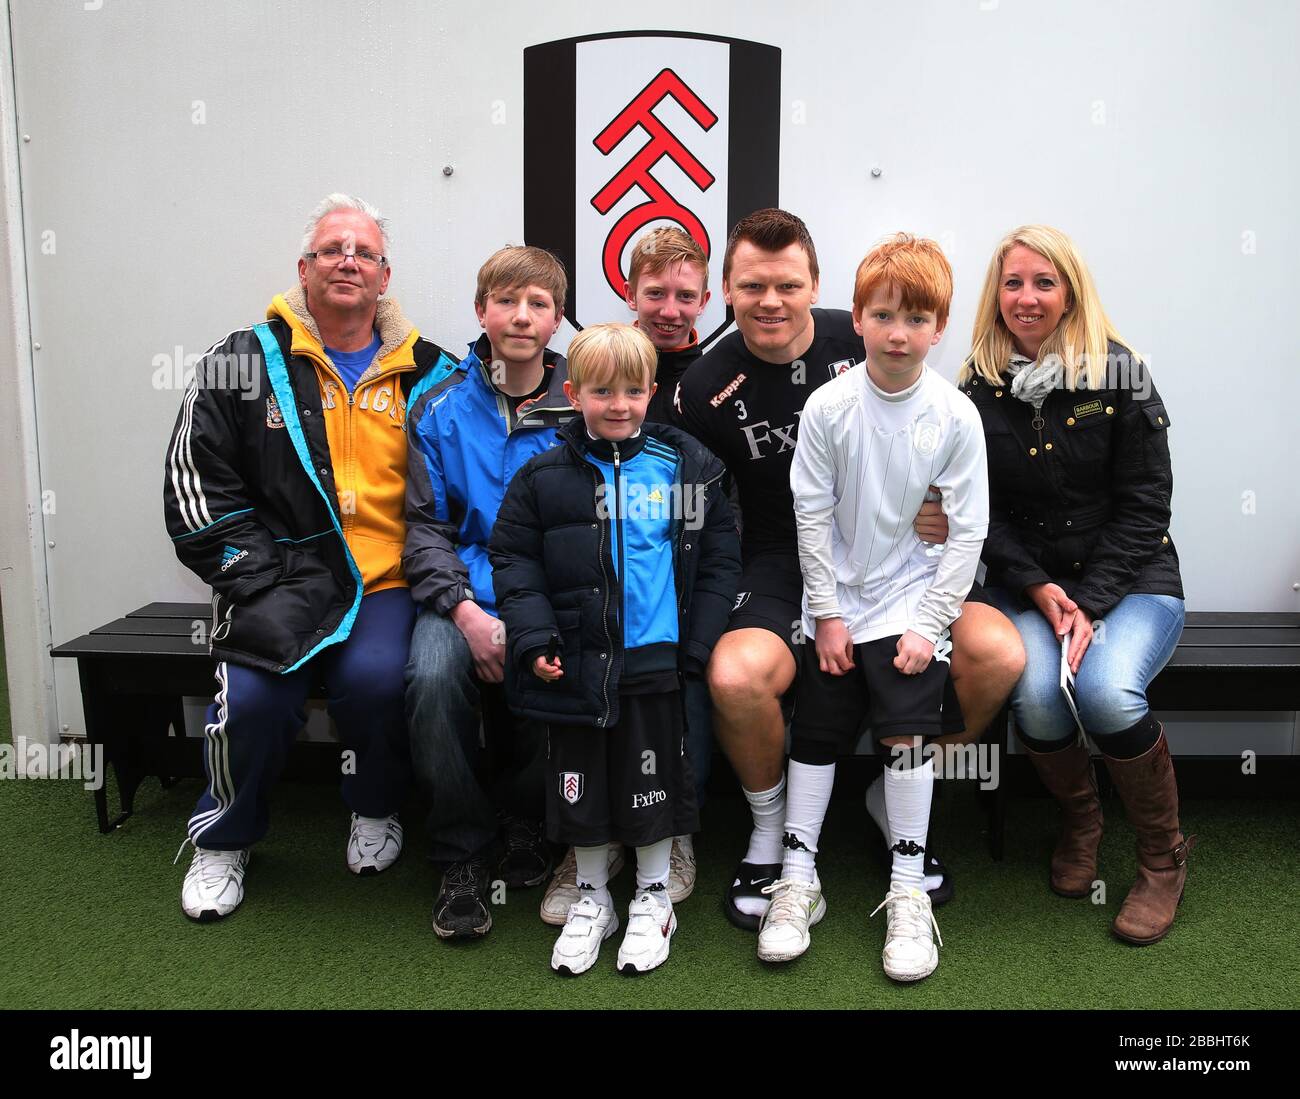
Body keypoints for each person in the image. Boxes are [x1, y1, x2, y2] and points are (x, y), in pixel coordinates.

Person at [673, 210, 1024, 930]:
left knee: (997, 652)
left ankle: (893, 800)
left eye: (787, 285)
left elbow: (947, 479)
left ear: (819, 290)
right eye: (752, 286)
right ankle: (774, 832)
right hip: (779, 556)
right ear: (728, 291)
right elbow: (693, 505)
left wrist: (939, 516)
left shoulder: (871, 334)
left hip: (905, 554)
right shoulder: (706, 381)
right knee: (737, 676)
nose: (771, 301)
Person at [163, 193, 457, 921]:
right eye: (332, 250)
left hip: (386, 582)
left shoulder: (434, 371)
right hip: (277, 578)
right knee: (256, 701)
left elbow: (465, 483)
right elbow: (195, 489)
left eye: (363, 252)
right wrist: (259, 579)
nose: (347, 261)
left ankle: (375, 804)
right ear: (304, 268)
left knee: (380, 679)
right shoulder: (242, 360)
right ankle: (223, 838)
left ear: (384, 277)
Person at [758, 234, 987, 980]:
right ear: (855, 317)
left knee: (907, 735)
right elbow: (811, 514)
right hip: (837, 607)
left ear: (939, 327)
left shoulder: (954, 414)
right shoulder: (828, 405)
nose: (899, 333)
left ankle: (906, 885)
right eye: (884, 315)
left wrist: (930, 624)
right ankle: (798, 878)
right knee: (818, 730)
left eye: (917, 319)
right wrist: (825, 613)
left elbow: (968, 531)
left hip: (913, 604)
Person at [958, 224, 1191, 944]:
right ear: (997, 296)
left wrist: (1089, 602)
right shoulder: (976, 384)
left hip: (1135, 580)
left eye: (1043, 282)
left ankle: (1162, 858)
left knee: (1104, 690)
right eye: (1014, 282)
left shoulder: (1119, 373)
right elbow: (978, 511)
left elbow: (1147, 505)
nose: (1027, 297)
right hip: (1031, 586)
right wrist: (1036, 586)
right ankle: (1081, 819)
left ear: (1070, 292)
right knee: (1034, 690)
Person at [489, 323, 740, 974]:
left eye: (634, 390)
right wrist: (535, 636)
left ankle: (654, 895)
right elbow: (513, 561)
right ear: (573, 394)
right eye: (603, 391)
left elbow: (718, 561)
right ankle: (594, 894)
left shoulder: (686, 466)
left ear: (653, 391)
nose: (620, 404)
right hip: (576, 666)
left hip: (657, 665)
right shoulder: (540, 477)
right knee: (583, 786)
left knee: (652, 779)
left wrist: (700, 642)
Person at [404, 245, 575, 939]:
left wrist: (528, 615)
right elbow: (422, 527)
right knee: (430, 673)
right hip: (463, 594)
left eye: (538, 304)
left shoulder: (583, 404)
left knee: (566, 666)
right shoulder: (439, 406)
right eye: (507, 300)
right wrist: (466, 612)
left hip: (551, 592)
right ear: (482, 311)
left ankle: (528, 818)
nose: (521, 316)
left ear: (557, 319)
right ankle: (461, 850)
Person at [621, 225, 713, 900]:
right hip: (615, 569)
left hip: (700, 567)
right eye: (656, 292)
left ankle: (679, 826)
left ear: (707, 298)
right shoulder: (600, 364)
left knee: (698, 664)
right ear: (630, 291)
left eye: (685, 295)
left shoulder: (718, 373)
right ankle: (589, 830)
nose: (670, 309)